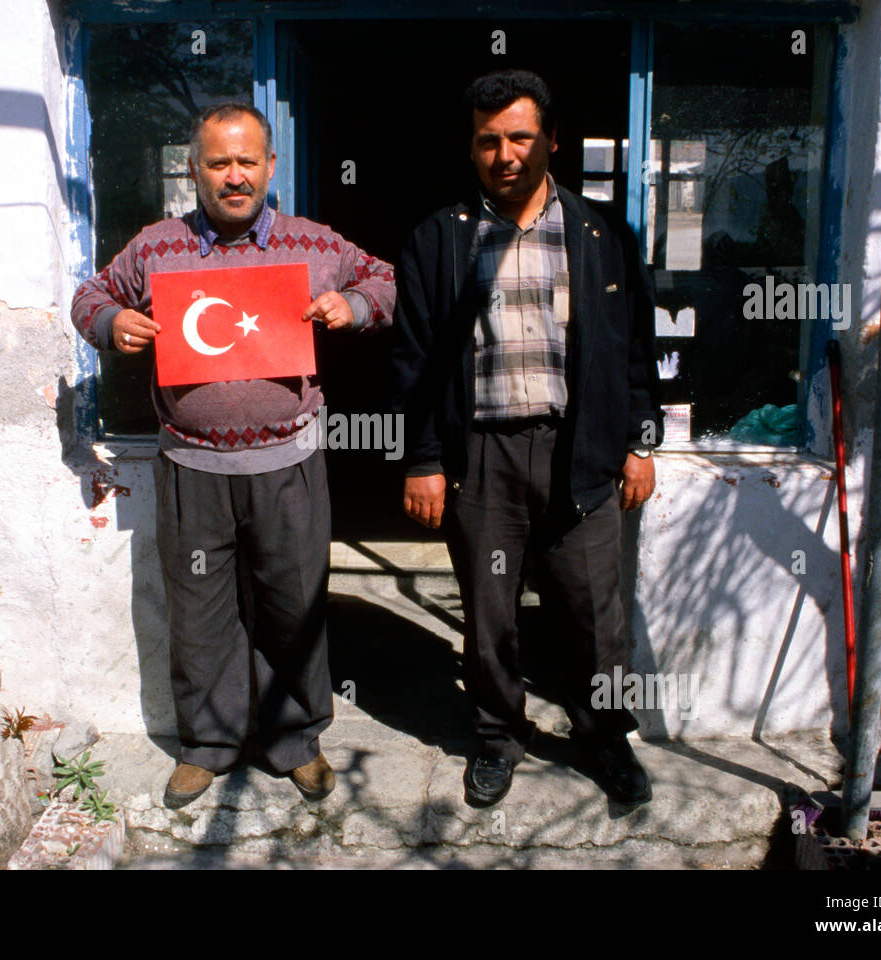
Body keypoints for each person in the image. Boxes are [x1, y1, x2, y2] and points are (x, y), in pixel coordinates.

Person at [71, 102, 395, 808]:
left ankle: (295, 740)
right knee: (200, 609)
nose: (235, 175)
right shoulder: (156, 248)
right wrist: (110, 321)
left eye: (248, 160)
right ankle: (209, 745)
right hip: (192, 469)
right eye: (219, 162)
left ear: (270, 167)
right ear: (195, 171)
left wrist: (353, 306)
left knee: (292, 606)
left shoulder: (313, 244)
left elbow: (386, 280)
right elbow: (89, 294)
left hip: (290, 468)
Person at [391, 70, 663, 808]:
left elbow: (635, 347)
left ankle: (603, 737)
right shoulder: (437, 240)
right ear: (471, 148)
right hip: (481, 457)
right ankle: (497, 739)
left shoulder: (603, 235)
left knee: (592, 614)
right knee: (490, 612)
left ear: (550, 141)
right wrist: (422, 459)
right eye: (488, 141)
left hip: (581, 451)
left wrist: (641, 442)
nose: (504, 153)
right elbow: (412, 359)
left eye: (518, 137)